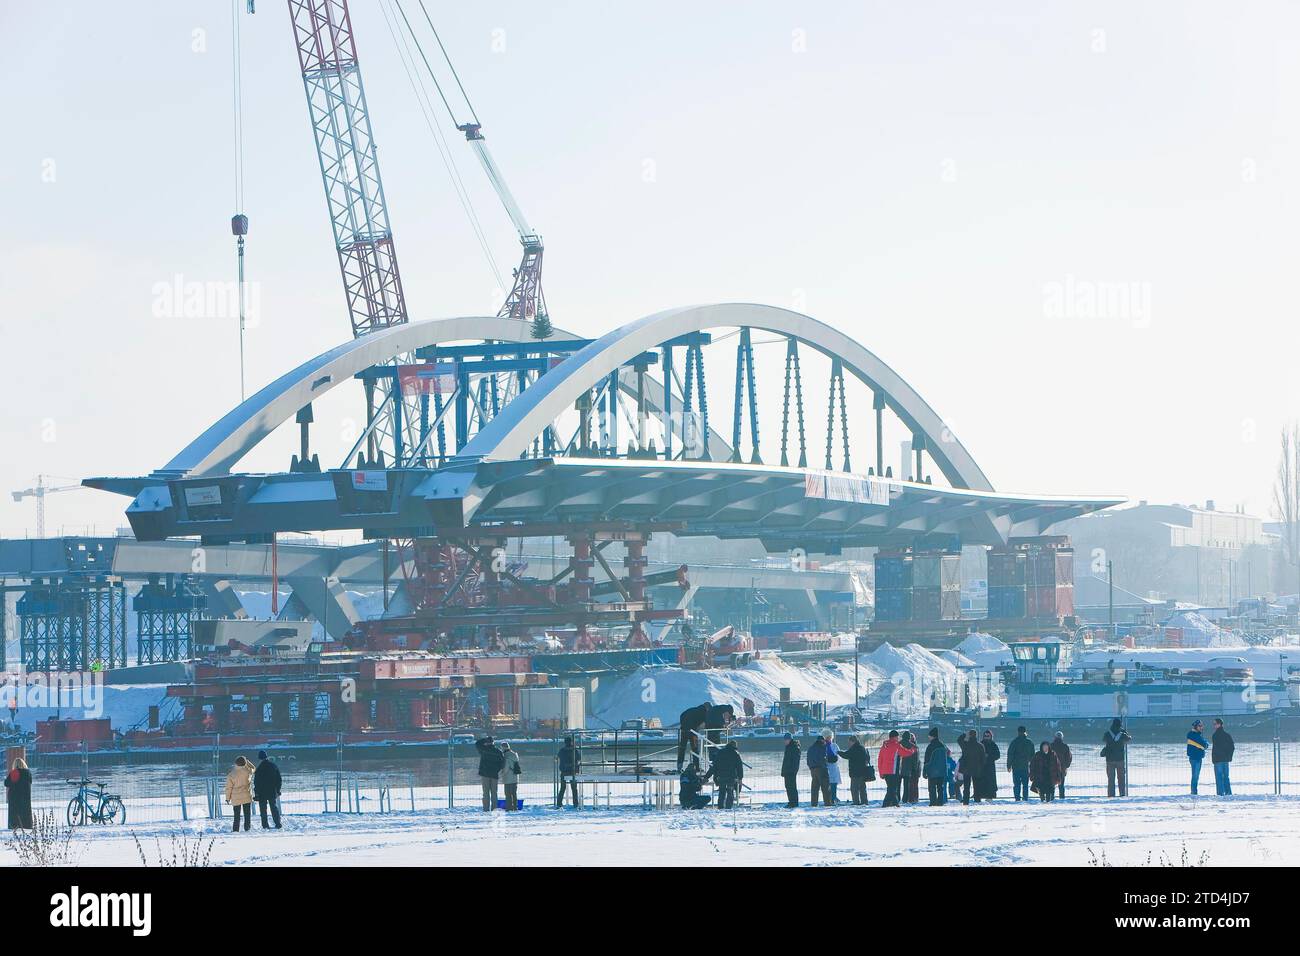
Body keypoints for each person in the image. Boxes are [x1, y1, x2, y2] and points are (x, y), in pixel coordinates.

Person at [704, 739, 744, 809]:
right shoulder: (735, 754)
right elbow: (739, 767)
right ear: (734, 746)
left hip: (721, 776)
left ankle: (720, 807)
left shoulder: (720, 752)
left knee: (722, 792)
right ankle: (728, 808)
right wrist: (740, 778)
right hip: (731, 777)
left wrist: (707, 776)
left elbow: (714, 766)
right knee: (730, 792)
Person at [253, 749, 282, 830]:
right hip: (272, 791)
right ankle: (278, 823)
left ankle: (265, 825)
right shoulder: (273, 766)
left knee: (263, 810)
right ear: (267, 756)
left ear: (259, 758)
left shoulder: (259, 768)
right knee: (274, 808)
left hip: (262, 792)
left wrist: (256, 793)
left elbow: (256, 782)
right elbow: (279, 779)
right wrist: (278, 790)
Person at [1102, 718, 1132, 797]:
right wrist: (1125, 732)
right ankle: (1122, 794)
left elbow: (1103, 739)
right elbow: (1129, 738)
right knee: (1121, 778)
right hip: (1120, 759)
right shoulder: (1122, 734)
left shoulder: (1108, 733)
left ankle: (1111, 795)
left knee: (1111, 779)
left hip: (1109, 759)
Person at [224, 755, 254, 832]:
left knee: (236, 816)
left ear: (236, 763)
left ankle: (235, 830)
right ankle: (247, 828)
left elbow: (228, 788)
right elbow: (254, 768)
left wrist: (227, 798)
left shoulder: (231, 774)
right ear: (245, 763)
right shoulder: (248, 771)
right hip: (247, 796)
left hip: (236, 798)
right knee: (247, 815)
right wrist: (247, 762)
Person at [476, 735, 505, 812]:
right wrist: (497, 770)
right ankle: (494, 808)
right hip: (494, 775)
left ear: (487, 743)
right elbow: (502, 763)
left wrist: (484, 739)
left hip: (485, 774)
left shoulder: (483, 749)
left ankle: (486, 809)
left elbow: (477, 743)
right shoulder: (498, 752)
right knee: (494, 793)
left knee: (485, 793)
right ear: (493, 742)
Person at [877, 730, 906, 807]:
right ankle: (890, 804)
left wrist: (881, 772)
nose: (898, 738)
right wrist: (913, 750)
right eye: (897, 737)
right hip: (893, 770)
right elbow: (905, 752)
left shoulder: (884, 746)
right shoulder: (896, 745)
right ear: (895, 737)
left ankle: (892, 803)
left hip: (885, 771)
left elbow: (880, 759)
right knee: (892, 788)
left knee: (891, 788)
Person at [1006, 726, 1034, 802]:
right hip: (1025, 766)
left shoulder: (1014, 742)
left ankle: (1017, 798)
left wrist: (1009, 766)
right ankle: (1025, 798)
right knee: (1025, 784)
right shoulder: (1029, 742)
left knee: (1017, 784)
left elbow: (1010, 754)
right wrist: (1032, 766)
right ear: (1025, 732)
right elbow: (1033, 756)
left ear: (1018, 732)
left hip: (1016, 766)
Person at [842, 735, 872, 805]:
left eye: (849, 742)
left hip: (855, 772)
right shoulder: (862, 747)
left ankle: (856, 802)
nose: (848, 743)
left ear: (853, 741)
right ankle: (864, 801)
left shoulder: (853, 748)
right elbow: (867, 758)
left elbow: (846, 755)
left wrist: (839, 752)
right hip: (863, 771)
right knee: (862, 788)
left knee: (854, 788)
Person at [922, 728, 950, 806]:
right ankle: (940, 802)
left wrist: (924, 771)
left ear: (932, 736)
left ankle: (933, 802)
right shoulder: (942, 745)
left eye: (929, 736)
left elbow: (927, 760)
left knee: (932, 788)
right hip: (942, 771)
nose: (928, 737)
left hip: (932, 771)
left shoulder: (930, 746)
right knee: (940, 788)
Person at [957, 730, 985, 805]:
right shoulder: (980, 746)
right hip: (977, 769)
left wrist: (965, 734)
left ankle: (966, 801)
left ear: (969, 735)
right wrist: (981, 768)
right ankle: (977, 800)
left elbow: (959, 740)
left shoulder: (965, 744)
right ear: (976, 735)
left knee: (966, 787)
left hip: (966, 769)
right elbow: (983, 759)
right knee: (977, 786)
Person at [4, 757, 32, 829]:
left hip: (14, 796)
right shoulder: (28, 772)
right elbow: (30, 782)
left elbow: (6, 783)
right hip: (25, 796)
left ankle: (14, 825)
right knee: (26, 810)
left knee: (14, 812)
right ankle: (27, 825)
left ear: (15, 764)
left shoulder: (14, 772)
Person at [806, 733, 832, 807]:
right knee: (825, 787)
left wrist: (811, 767)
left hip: (813, 770)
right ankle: (828, 803)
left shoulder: (811, 748)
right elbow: (824, 758)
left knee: (814, 788)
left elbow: (808, 760)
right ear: (822, 741)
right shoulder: (822, 747)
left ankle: (814, 803)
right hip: (822, 769)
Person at [556, 736, 581, 808]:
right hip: (572, 771)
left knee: (562, 788)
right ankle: (575, 804)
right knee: (574, 789)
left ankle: (559, 803)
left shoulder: (562, 750)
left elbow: (558, 758)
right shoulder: (574, 750)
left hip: (564, 771)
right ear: (571, 742)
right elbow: (579, 759)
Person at [1211, 718, 1235, 796]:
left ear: (1219, 724)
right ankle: (1228, 793)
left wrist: (1214, 759)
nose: (1214, 725)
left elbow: (1215, 749)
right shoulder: (1227, 735)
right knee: (1226, 777)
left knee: (1219, 777)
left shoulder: (1215, 735)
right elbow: (1232, 747)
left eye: (1215, 724)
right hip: (1226, 759)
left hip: (1218, 760)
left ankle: (1220, 793)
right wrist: (1229, 757)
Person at [1185, 720, 1208, 795]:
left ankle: (1194, 791)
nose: (1202, 727)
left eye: (1202, 725)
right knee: (1195, 776)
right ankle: (1194, 792)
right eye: (1200, 726)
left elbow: (1204, 744)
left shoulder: (1196, 734)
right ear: (1196, 726)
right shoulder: (1194, 735)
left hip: (1196, 758)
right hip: (1195, 758)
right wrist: (1205, 744)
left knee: (1195, 775)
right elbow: (1204, 744)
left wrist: (1205, 744)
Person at [499, 741, 523, 811]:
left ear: (503, 748)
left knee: (508, 794)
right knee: (514, 794)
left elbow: (506, 768)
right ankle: (515, 807)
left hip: (508, 778)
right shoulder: (514, 755)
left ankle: (509, 807)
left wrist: (501, 774)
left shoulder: (506, 756)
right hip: (515, 777)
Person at [977, 730, 1000, 801]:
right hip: (981, 767)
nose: (986, 737)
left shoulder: (993, 745)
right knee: (981, 781)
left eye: (988, 736)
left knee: (991, 782)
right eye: (985, 736)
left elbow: (997, 755)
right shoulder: (980, 744)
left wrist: (989, 756)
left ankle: (990, 796)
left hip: (990, 767)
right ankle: (981, 795)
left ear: (991, 736)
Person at [780, 733, 801, 808]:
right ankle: (791, 802)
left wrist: (794, 770)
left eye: (786, 740)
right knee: (788, 787)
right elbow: (785, 761)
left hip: (791, 771)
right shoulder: (789, 747)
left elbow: (796, 761)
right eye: (784, 740)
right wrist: (783, 771)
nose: (785, 741)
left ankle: (794, 803)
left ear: (790, 739)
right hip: (787, 771)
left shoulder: (794, 747)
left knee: (792, 787)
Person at [899, 731, 921, 804]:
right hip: (908, 769)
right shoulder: (914, 747)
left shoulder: (898, 744)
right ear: (909, 737)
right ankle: (905, 800)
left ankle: (897, 798)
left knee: (897, 786)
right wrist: (914, 769)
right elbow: (916, 759)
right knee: (906, 786)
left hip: (897, 769)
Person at [1050, 731, 1072, 799]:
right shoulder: (1065, 746)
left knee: (1052, 784)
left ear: (1055, 737)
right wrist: (1066, 765)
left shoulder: (1051, 746)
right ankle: (1062, 797)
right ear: (1062, 737)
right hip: (1062, 768)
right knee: (1061, 785)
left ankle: (1051, 797)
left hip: (1052, 768)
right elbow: (1069, 757)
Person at [825, 735, 842, 805]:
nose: (828, 739)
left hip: (834, 767)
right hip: (827, 767)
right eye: (827, 738)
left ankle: (834, 797)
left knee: (834, 783)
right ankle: (830, 798)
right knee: (828, 784)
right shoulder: (824, 746)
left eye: (829, 737)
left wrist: (834, 758)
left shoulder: (835, 746)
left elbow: (838, 755)